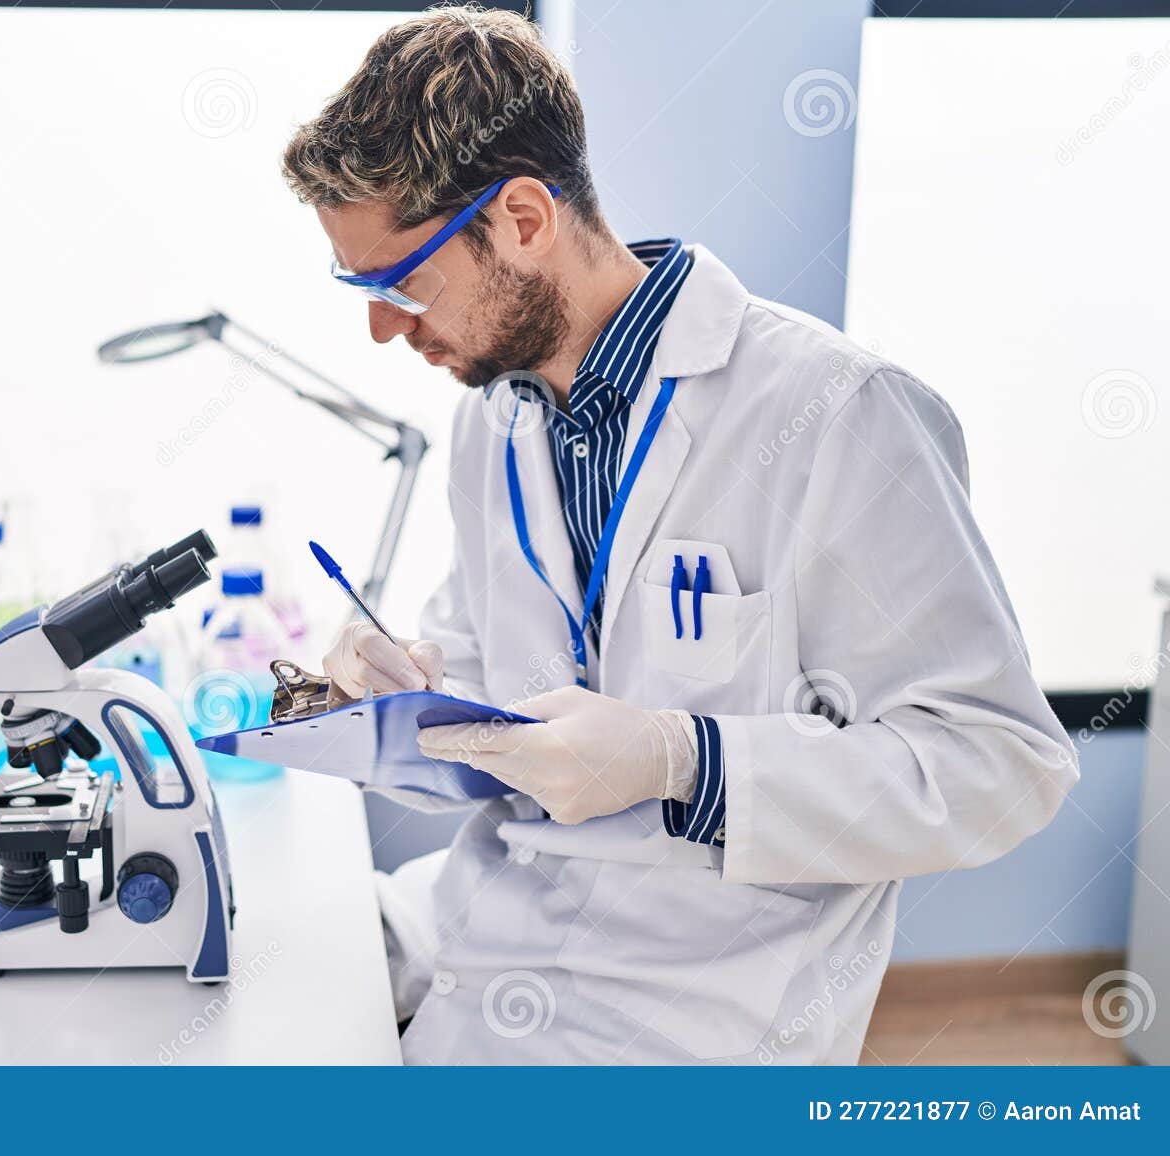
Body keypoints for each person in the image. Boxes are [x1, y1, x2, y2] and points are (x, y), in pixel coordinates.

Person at [280, 6, 1077, 1064]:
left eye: (398, 283)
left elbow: (1000, 762)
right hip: (487, 931)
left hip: (689, 1023)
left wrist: (681, 760)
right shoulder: (494, 417)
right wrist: (393, 687)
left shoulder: (840, 413)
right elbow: (489, 668)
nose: (381, 327)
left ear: (522, 220)